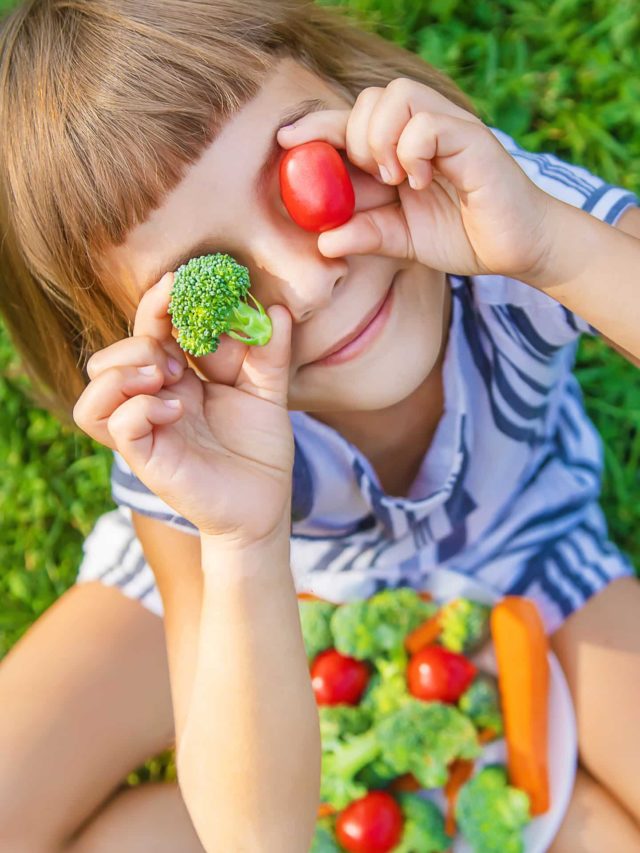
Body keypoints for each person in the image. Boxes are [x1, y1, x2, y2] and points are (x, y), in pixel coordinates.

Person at [0, 0, 639, 850]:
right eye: (211, 282)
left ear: (354, 90)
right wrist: (240, 540)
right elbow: (257, 838)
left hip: (528, 540)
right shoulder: (190, 430)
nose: (308, 281)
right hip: (254, 580)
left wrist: (560, 250)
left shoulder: (501, 212)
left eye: (305, 168)